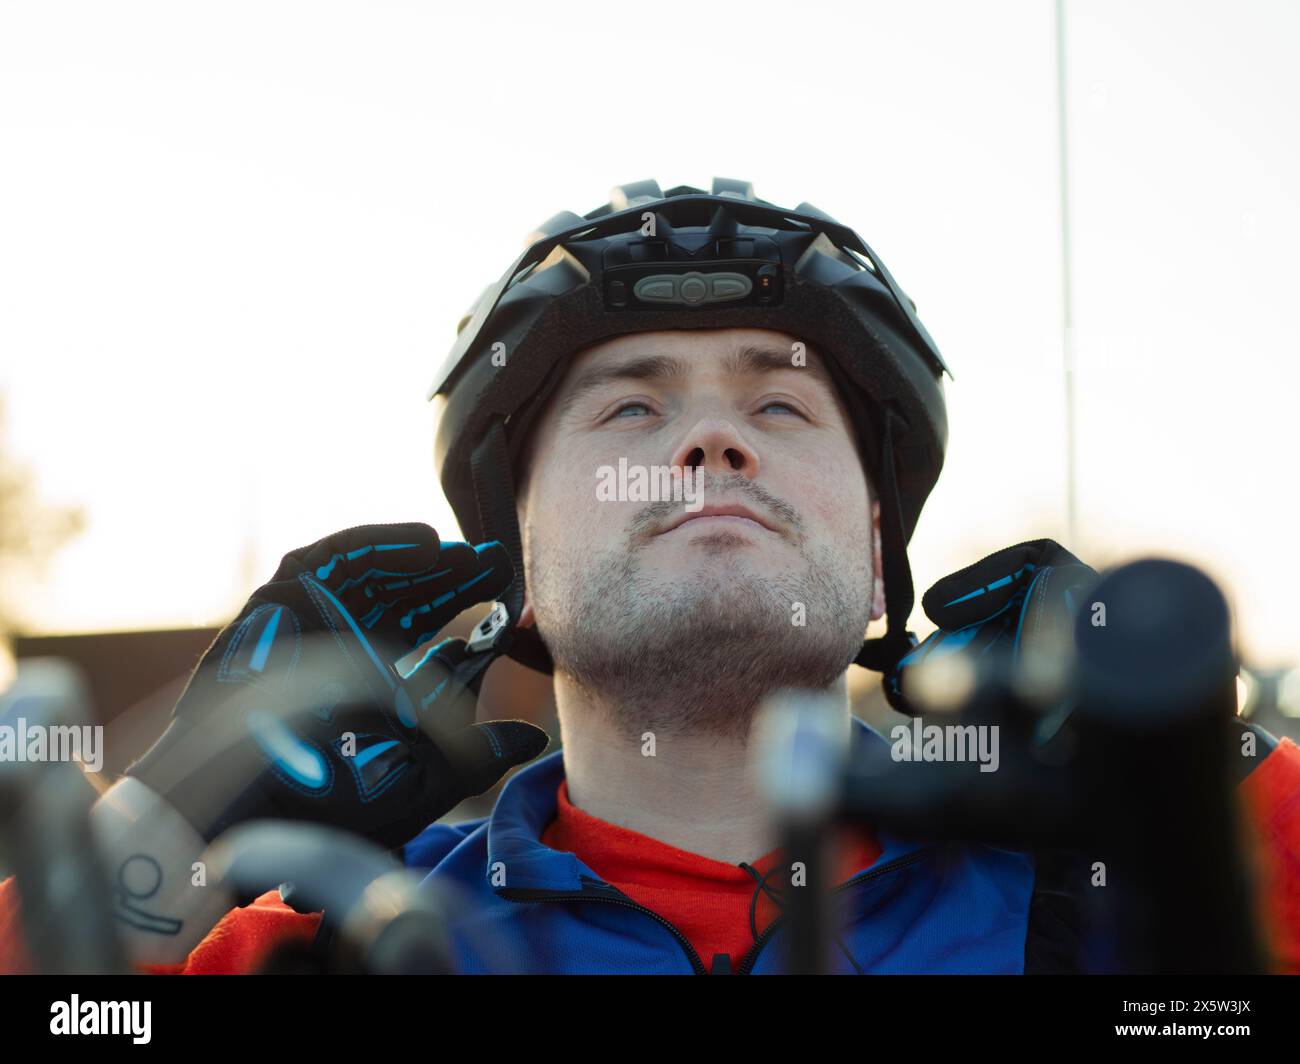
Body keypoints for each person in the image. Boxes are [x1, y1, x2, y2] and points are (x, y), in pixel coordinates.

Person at [2, 180, 1297, 974]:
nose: (710, 439)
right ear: (508, 559)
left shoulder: (1137, 913)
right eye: (629, 409)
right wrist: (160, 835)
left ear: (877, 549)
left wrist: (1203, 784)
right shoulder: (318, 945)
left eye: (781, 407)